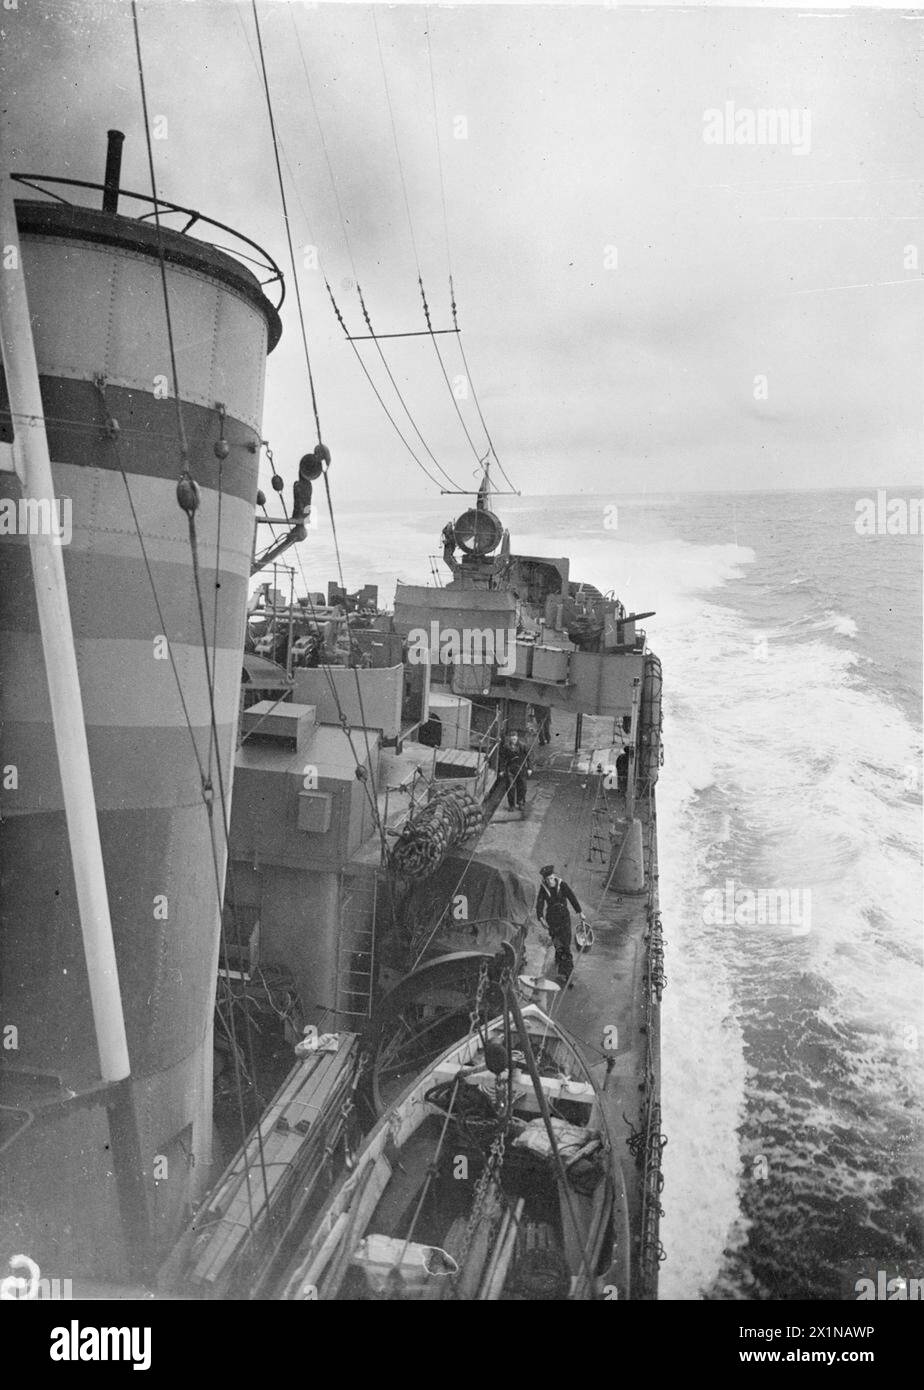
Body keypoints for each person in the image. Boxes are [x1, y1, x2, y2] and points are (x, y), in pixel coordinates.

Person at [535, 865, 586, 985]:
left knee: (566, 946)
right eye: (547, 880)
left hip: (564, 919)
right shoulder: (543, 888)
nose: (550, 881)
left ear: (555, 876)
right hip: (552, 920)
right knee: (558, 943)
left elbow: (572, 897)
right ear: (545, 880)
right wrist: (541, 918)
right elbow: (540, 903)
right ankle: (559, 959)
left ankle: (567, 974)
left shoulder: (562, 885)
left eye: (552, 878)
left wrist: (580, 912)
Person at [498, 729, 531, 812]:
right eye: (512, 739)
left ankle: (520, 803)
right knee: (510, 787)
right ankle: (511, 805)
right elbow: (502, 759)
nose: (513, 741)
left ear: (517, 738)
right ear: (510, 739)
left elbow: (529, 757)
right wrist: (502, 770)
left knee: (522, 787)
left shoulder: (523, 746)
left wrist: (529, 768)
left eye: (515, 739)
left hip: (521, 768)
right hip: (510, 769)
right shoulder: (506, 747)